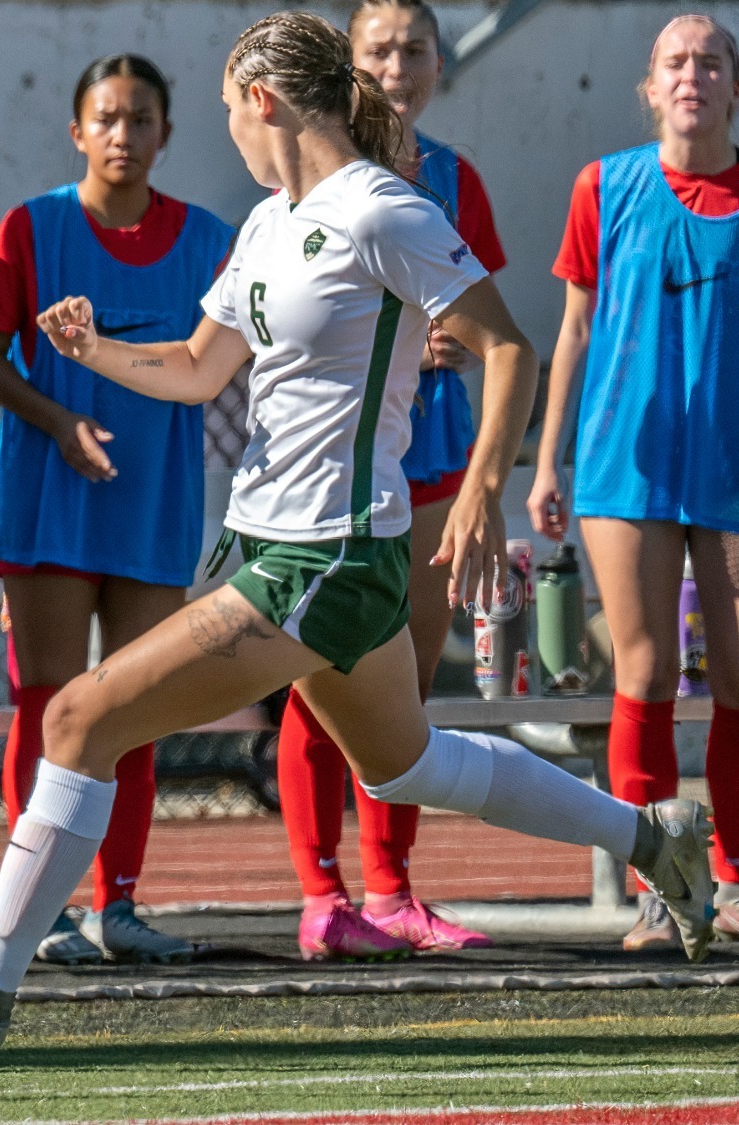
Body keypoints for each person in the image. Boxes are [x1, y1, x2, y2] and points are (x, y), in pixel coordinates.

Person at [0, 11, 717, 1067]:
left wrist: (483, 488)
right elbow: (200, 368)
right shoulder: (268, 221)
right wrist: (91, 350)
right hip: (272, 549)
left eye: (223, 108)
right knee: (400, 766)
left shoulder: (382, 209)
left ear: (260, 100)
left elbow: (507, 350)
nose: (227, 128)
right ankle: (648, 835)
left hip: (326, 555)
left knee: (77, 717)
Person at [0, 55, 232, 967]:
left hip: (155, 501)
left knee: (135, 708)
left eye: (141, 119)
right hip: (49, 501)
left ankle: (118, 905)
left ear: (165, 132)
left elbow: (251, 349)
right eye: (107, 118)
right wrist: (60, 420)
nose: (123, 134)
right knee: (46, 703)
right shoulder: (32, 228)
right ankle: (35, 910)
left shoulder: (209, 241)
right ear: (77, 130)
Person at [269, 0, 507, 962]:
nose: (398, 67)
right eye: (378, 51)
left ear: (439, 68)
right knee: (309, 676)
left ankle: (393, 888)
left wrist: (453, 339)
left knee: (401, 680)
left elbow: (492, 322)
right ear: (346, 69)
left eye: (415, 50)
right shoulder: (301, 178)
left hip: (433, 459)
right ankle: (321, 894)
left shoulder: (454, 179)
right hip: (332, 472)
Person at [530, 13, 739, 952]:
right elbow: (572, 331)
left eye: (711, 60)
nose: (693, 75)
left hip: (731, 469)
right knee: (644, 668)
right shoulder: (604, 186)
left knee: (738, 677)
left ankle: (732, 882)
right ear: (650, 88)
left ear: (734, 85)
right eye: (675, 62)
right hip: (625, 463)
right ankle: (664, 890)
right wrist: (548, 459)